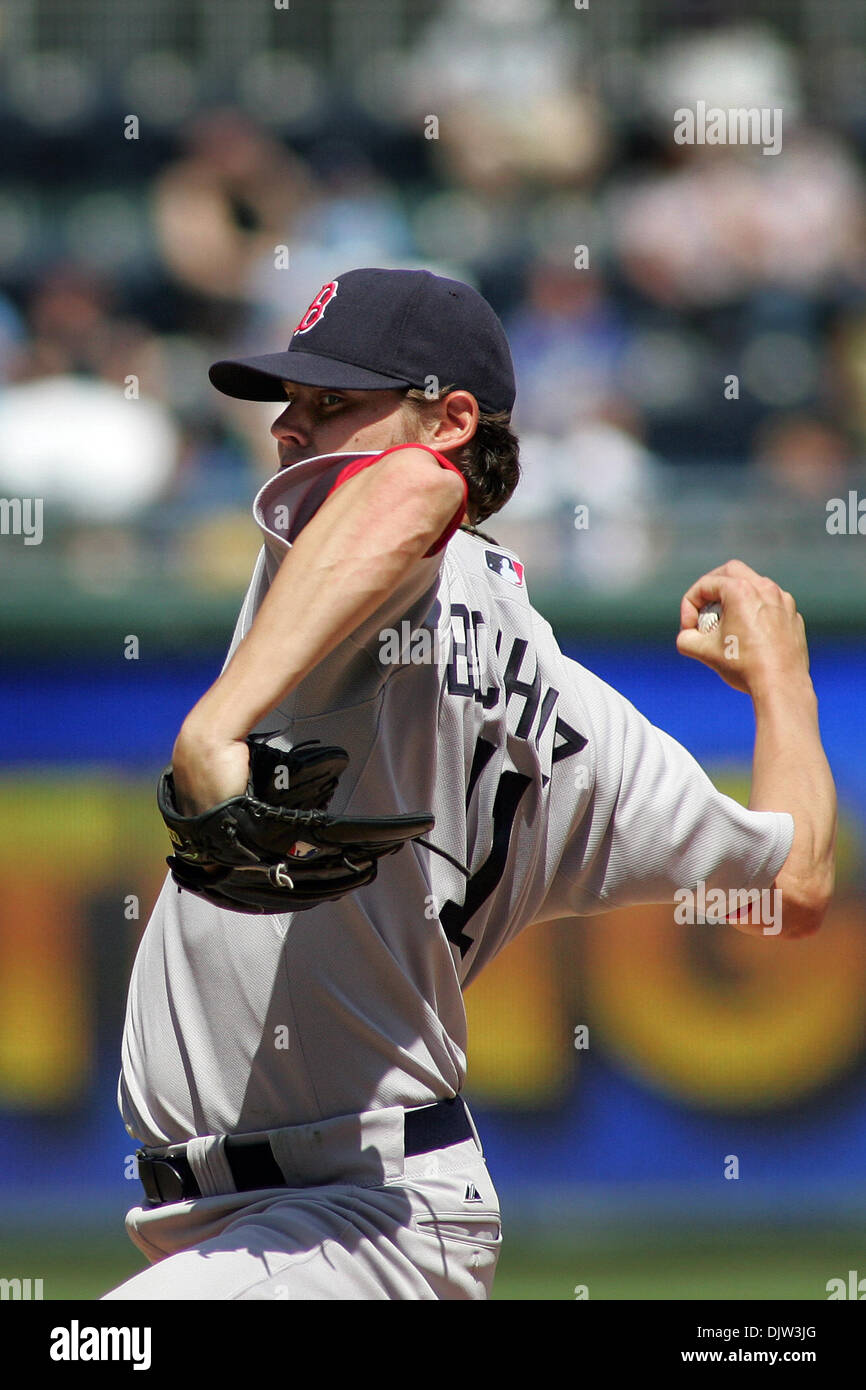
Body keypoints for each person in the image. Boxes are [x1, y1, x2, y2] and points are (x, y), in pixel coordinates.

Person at [104, 267, 836, 1301]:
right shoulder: (573, 714)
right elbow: (794, 880)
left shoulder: (358, 542)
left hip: (355, 1219)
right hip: (298, 1223)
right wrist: (782, 685)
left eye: (332, 404)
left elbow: (413, 488)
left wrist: (213, 724)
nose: (287, 431)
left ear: (450, 420)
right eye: (288, 404)